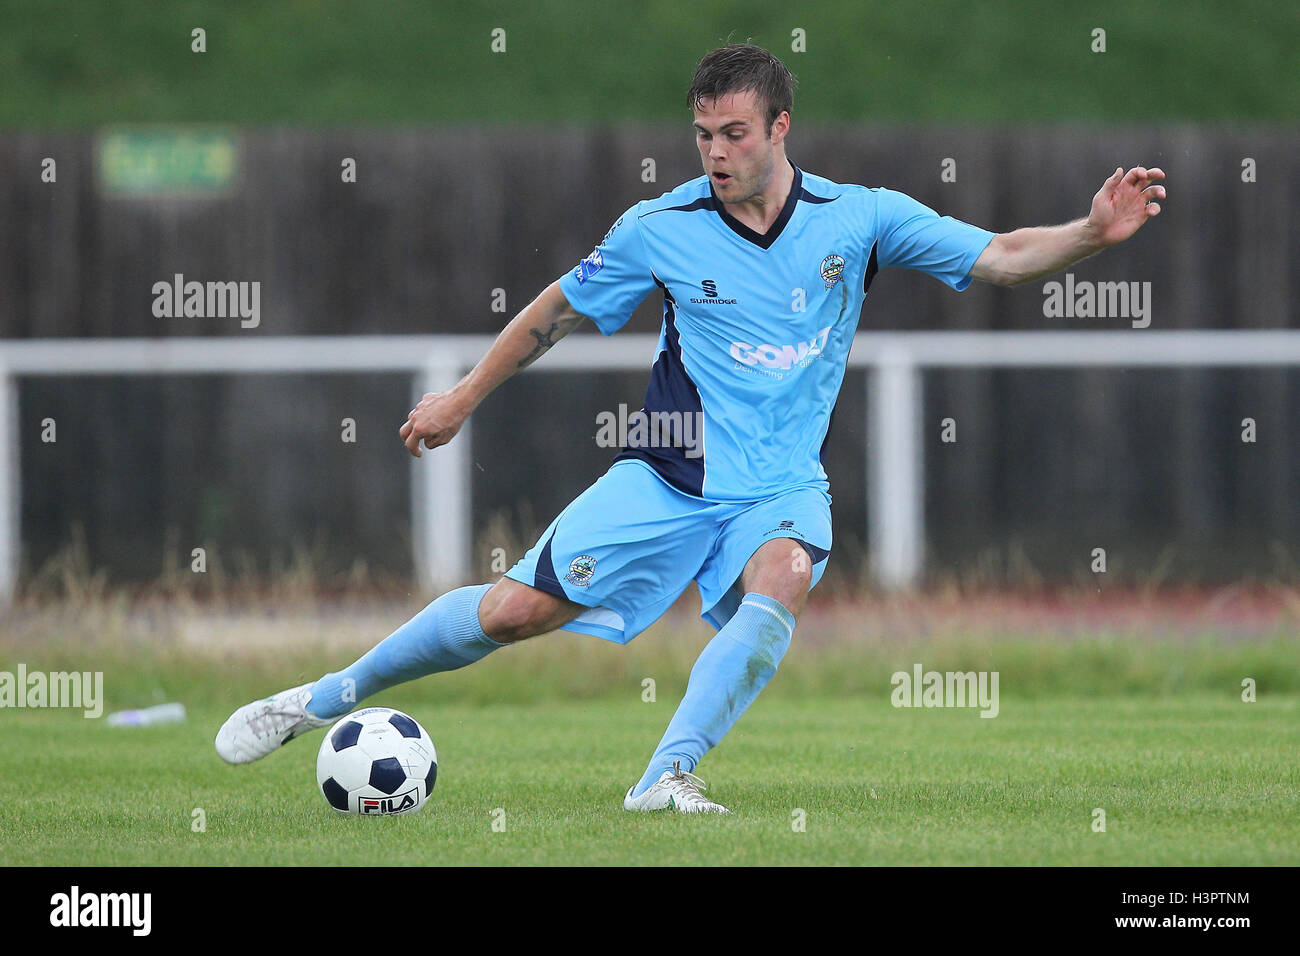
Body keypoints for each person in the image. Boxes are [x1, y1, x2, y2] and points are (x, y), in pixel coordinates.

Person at [216, 43, 1166, 813]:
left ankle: (665, 777)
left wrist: (1086, 235)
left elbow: (999, 257)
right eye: (704, 133)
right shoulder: (657, 226)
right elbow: (555, 309)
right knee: (515, 612)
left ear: (781, 127)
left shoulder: (859, 219)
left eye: (735, 133)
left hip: (781, 484)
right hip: (670, 473)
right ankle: (319, 700)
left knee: (785, 572)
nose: (716, 151)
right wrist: (463, 397)